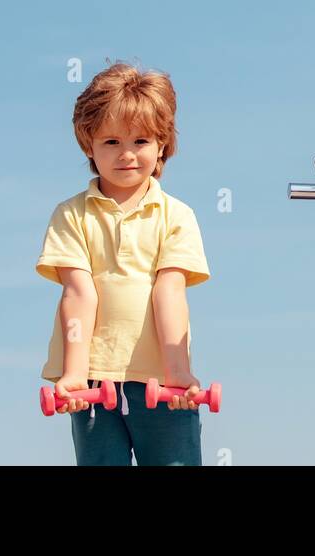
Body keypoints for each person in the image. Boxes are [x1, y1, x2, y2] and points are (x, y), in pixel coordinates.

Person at [35, 61, 210, 465]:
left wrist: (178, 373)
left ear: (162, 143)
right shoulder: (72, 215)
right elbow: (79, 293)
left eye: (141, 141)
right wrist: (76, 374)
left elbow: (169, 291)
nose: (127, 154)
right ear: (88, 145)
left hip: (162, 382)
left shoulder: (176, 216)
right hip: (94, 385)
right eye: (111, 142)